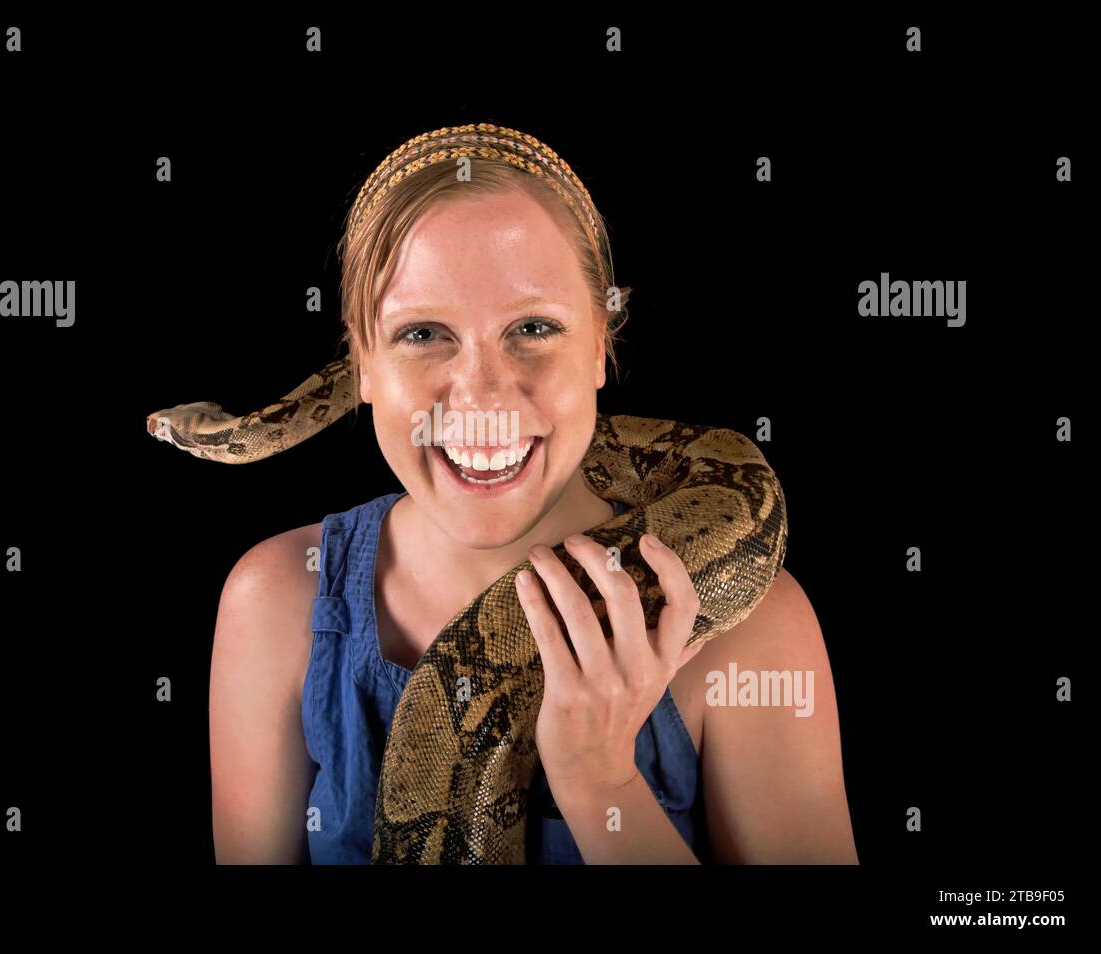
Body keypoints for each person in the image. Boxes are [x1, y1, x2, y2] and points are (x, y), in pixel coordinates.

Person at [208, 123, 857, 864]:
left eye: (534, 326)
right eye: (423, 333)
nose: (482, 393)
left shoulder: (757, 632)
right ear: (359, 363)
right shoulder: (276, 604)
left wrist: (600, 783)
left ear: (600, 346)